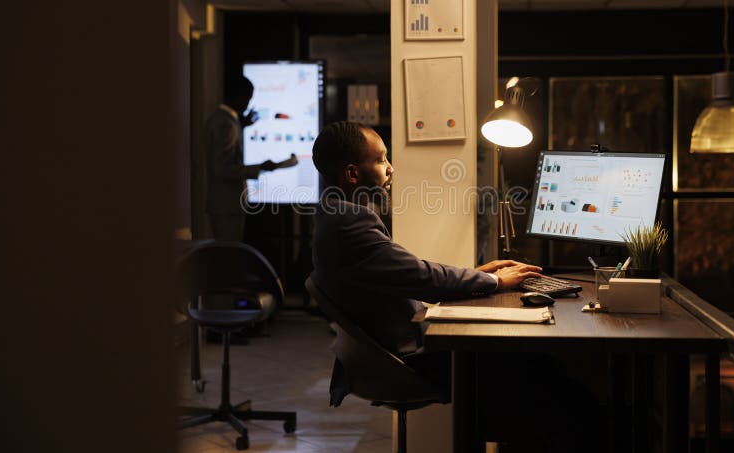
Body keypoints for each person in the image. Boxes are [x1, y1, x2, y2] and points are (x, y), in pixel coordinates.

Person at [310, 121, 541, 390]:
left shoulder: (334, 214)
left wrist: (478, 274)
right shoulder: (349, 222)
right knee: (534, 365)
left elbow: (409, 272)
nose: (390, 167)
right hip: (412, 358)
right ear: (352, 174)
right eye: (381, 159)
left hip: (399, 351)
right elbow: (421, 277)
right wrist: (495, 282)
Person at [205, 75, 297, 241]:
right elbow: (222, 168)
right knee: (229, 254)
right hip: (228, 205)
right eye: (247, 99)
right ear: (238, 96)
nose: (248, 104)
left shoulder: (223, 120)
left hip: (223, 204)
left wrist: (243, 124)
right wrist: (261, 167)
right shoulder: (227, 124)